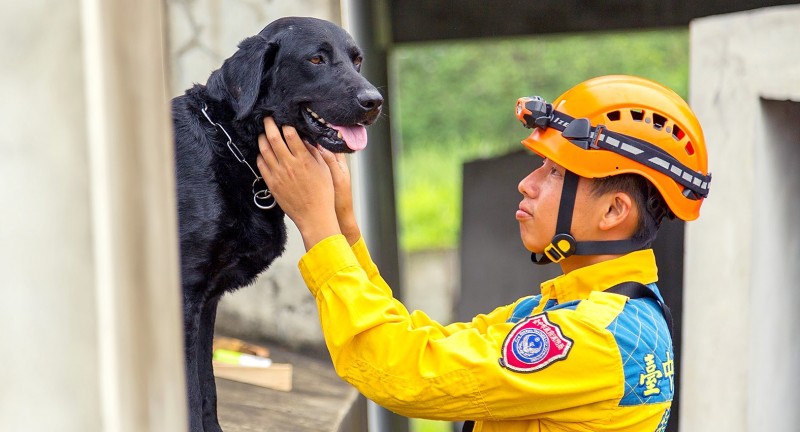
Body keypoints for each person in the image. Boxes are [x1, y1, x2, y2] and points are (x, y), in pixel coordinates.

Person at [255, 75, 710, 432]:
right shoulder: (585, 312)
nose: (527, 184)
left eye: (554, 172)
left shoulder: (595, 337)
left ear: (613, 211)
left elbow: (405, 373)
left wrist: (317, 228)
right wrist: (345, 228)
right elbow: (424, 344)